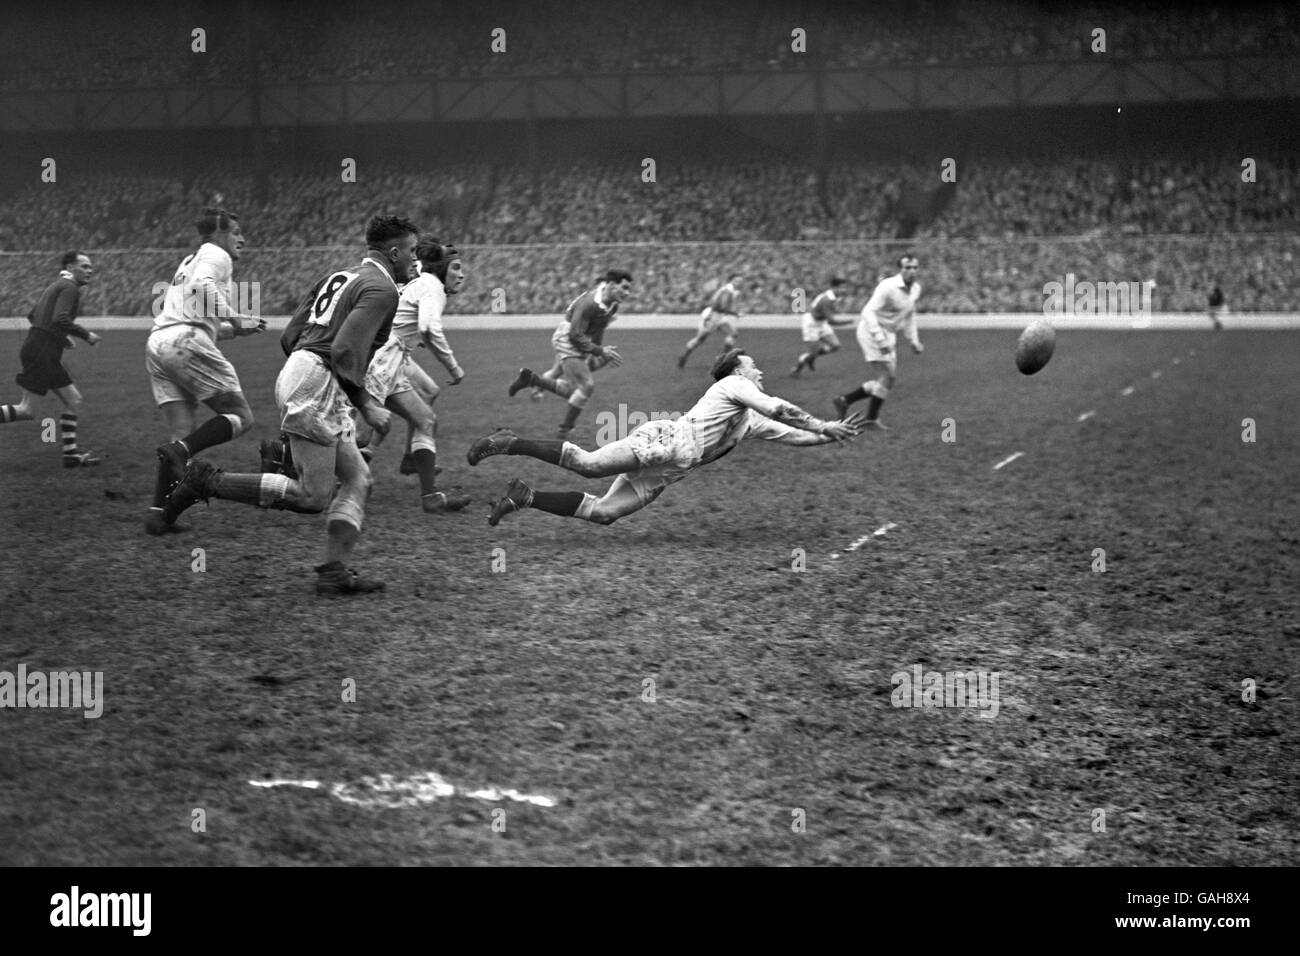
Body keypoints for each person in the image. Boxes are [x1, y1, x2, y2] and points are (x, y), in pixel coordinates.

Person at [161, 215, 421, 595]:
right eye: (412, 251)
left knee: (358, 479)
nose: (416, 260)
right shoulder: (383, 289)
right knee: (312, 496)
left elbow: (290, 336)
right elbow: (345, 349)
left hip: (303, 372)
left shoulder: (338, 276)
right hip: (318, 381)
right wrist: (366, 404)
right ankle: (207, 481)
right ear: (394, 252)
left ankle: (333, 571)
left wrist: (311, 373)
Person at [469, 348, 867, 527]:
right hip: (666, 441)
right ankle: (509, 440)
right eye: (754, 366)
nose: (759, 371)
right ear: (736, 372)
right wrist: (822, 423)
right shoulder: (732, 385)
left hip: (672, 470)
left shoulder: (747, 419)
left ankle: (526, 497)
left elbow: (788, 434)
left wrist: (832, 435)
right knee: (588, 466)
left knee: (604, 514)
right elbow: (777, 408)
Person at [144, 208, 266, 535]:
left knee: (180, 434)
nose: (242, 238)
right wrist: (236, 315)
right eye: (236, 231)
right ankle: (179, 453)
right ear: (219, 234)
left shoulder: (190, 259)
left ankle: (159, 515)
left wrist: (232, 329)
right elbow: (201, 287)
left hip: (159, 342)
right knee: (241, 416)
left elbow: (192, 312)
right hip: (185, 341)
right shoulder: (217, 254)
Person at [357, 237, 471, 513]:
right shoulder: (433, 288)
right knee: (361, 433)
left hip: (391, 360)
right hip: (381, 361)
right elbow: (428, 329)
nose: (462, 274)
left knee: (425, 419)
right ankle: (288, 458)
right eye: (455, 267)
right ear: (441, 269)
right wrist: (454, 368)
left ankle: (430, 495)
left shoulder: (424, 283)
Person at [0, 251, 102, 467]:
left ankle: (71, 456)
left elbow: (32, 315)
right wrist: (86, 335)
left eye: (90, 267)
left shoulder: (56, 285)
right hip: (42, 353)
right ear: (71, 267)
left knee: (73, 400)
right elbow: (60, 318)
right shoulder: (70, 288)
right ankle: (71, 455)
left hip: (42, 350)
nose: (89, 270)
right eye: (84, 266)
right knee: (27, 410)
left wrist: (61, 337)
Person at [505, 269, 632, 439]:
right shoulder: (589, 303)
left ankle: (535, 384)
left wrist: (597, 350)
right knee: (585, 386)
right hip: (568, 338)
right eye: (624, 287)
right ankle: (564, 428)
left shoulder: (612, 304)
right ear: (610, 284)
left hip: (582, 336)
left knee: (562, 375)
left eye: (628, 289)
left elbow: (599, 327)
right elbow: (574, 335)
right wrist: (599, 351)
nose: (627, 293)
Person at [831, 254, 924, 429]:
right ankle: (870, 418)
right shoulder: (888, 287)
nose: (911, 271)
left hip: (889, 334)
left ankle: (845, 400)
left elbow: (909, 314)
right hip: (871, 332)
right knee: (888, 376)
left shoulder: (916, 289)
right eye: (907, 267)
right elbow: (867, 311)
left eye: (914, 267)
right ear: (900, 269)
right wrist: (879, 338)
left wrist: (914, 340)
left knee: (886, 379)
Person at [677, 273, 742, 369]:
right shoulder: (728, 291)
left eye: (740, 281)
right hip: (713, 316)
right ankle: (683, 357)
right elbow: (720, 307)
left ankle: (724, 361)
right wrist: (734, 313)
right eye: (736, 281)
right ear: (731, 280)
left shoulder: (729, 290)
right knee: (699, 340)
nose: (739, 283)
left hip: (719, 316)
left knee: (733, 333)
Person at [791, 276, 850, 377]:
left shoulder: (833, 296)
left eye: (845, 287)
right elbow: (832, 321)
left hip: (821, 322)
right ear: (833, 287)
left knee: (835, 346)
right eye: (841, 287)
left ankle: (810, 358)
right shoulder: (826, 299)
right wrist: (847, 322)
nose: (844, 290)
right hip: (811, 324)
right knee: (813, 352)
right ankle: (798, 367)